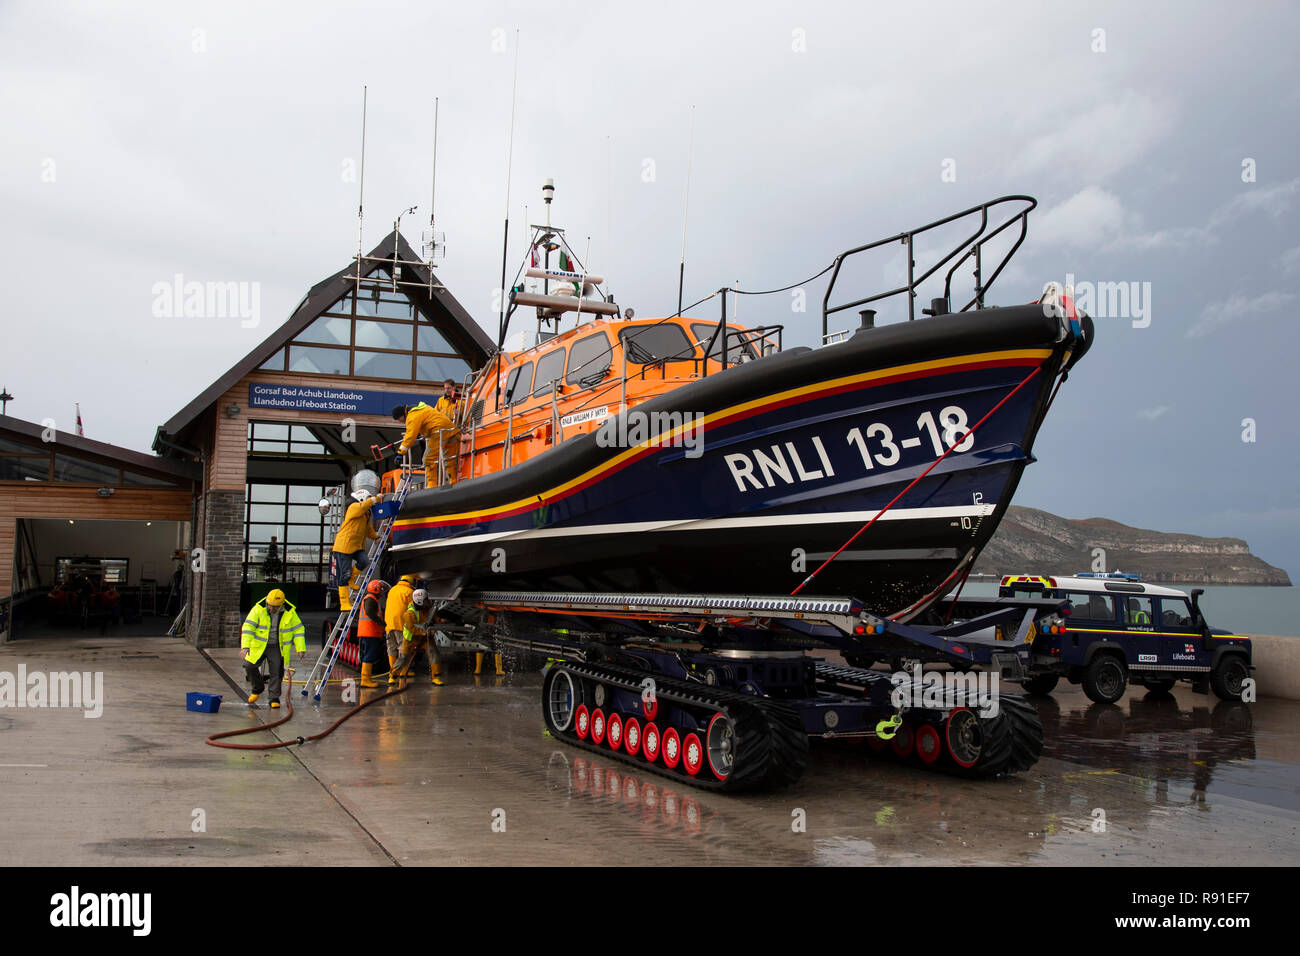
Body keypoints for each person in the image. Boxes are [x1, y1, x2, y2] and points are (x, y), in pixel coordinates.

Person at [240, 588, 305, 708]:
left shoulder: (290, 612)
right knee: (249, 666)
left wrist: (300, 648)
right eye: (269, 605)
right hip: (259, 646)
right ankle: (257, 688)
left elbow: (298, 629)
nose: (271, 608)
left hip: (276, 646)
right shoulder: (258, 609)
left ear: (282, 605)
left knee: (276, 671)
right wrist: (245, 646)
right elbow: (248, 627)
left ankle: (274, 698)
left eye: (275, 607)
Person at [330, 486, 381, 611]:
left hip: (356, 546)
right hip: (344, 546)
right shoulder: (353, 508)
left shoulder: (364, 515)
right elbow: (362, 507)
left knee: (364, 561)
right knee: (344, 575)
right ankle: (344, 603)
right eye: (367, 498)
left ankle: (352, 579)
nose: (368, 501)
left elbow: (367, 529)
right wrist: (375, 499)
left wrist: (376, 537)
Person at [393, 398, 459, 488]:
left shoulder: (412, 416)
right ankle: (454, 481)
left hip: (438, 431)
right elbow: (426, 422)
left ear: (401, 415)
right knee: (449, 458)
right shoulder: (420, 408)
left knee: (428, 459)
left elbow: (410, 436)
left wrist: (400, 453)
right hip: (450, 429)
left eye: (398, 419)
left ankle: (431, 485)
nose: (400, 422)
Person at [390, 588, 446, 686]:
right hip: (410, 639)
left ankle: (436, 677)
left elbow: (433, 616)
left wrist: (440, 620)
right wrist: (426, 632)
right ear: (419, 601)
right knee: (403, 658)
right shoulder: (409, 614)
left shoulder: (426, 608)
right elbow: (412, 629)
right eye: (426, 600)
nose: (428, 602)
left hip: (425, 638)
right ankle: (393, 676)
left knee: (434, 654)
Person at [384, 574, 417, 683]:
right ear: (411, 582)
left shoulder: (392, 590)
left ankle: (392, 675)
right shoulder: (409, 592)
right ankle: (401, 672)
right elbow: (414, 610)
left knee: (391, 649)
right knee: (403, 649)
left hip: (389, 624)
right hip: (401, 624)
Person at [357, 579, 388, 687]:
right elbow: (370, 612)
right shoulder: (370, 599)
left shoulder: (372, 598)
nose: (382, 591)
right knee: (369, 654)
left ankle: (366, 679)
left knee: (370, 653)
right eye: (381, 589)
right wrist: (382, 623)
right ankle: (365, 680)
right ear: (375, 589)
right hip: (369, 632)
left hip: (370, 631)